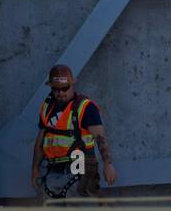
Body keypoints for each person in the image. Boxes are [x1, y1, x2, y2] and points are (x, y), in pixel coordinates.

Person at [31, 64, 117, 198]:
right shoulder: (47, 108)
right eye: (56, 89)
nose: (60, 93)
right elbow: (41, 140)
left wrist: (108, 164)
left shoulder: (85, 108)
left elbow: (100, 137)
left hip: (79, 169)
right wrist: (35, 169)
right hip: (52, 171)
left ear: (72, 85)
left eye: (65, 88)